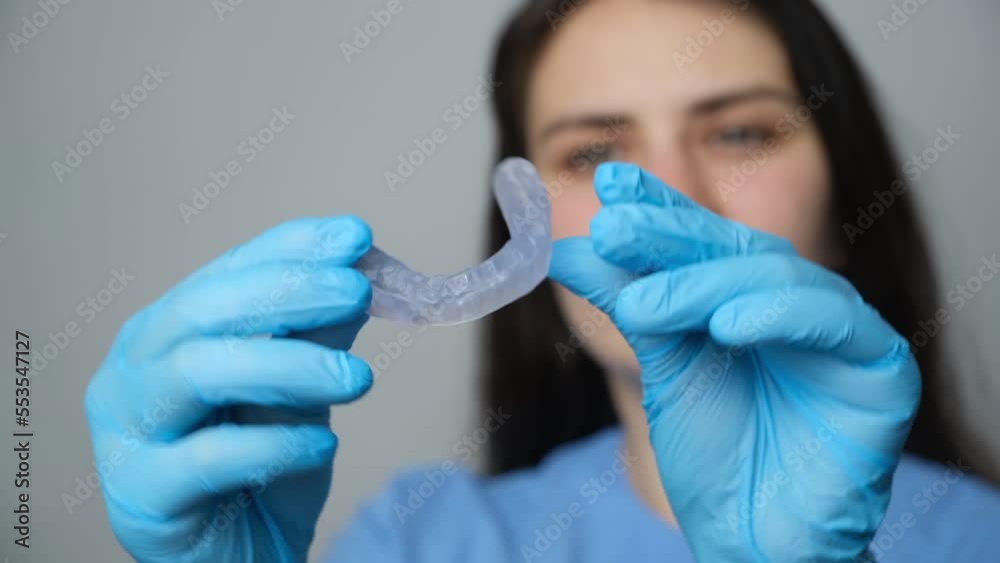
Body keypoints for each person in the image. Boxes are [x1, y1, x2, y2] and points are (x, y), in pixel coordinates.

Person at [83, 0, 1000, 561]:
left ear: (849, 195)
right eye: (592, 149)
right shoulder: (419, 545)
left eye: (740, 131)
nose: (667, 190)